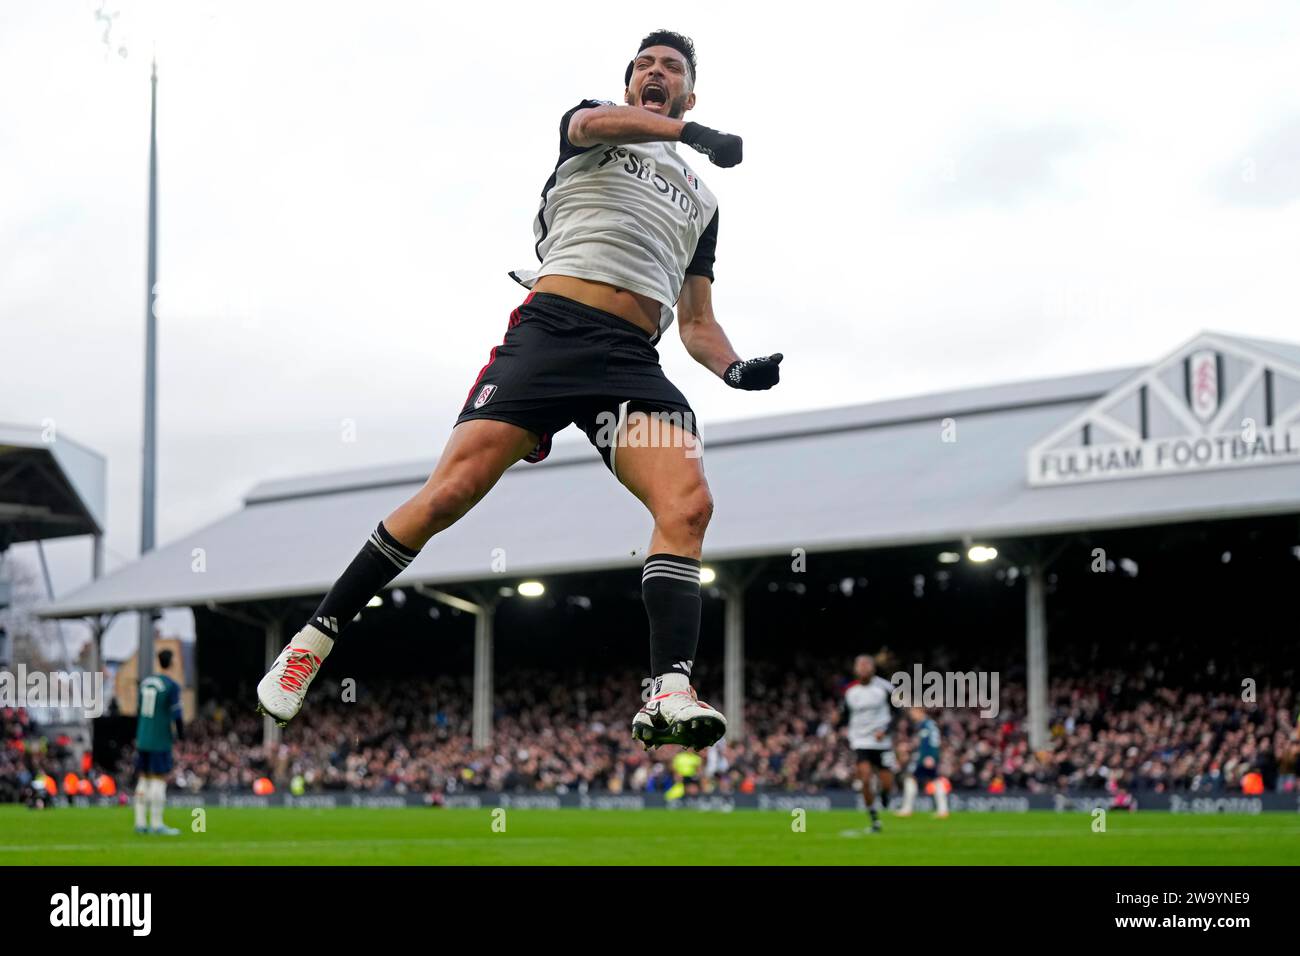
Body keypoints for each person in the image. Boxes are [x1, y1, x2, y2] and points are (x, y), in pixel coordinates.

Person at [257, 29, 781, 753]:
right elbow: (592, 124)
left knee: (688, 503)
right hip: (550, 334)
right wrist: (690, 132)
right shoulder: (596, 123)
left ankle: (669, 688)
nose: (655, 73)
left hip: (631, 361)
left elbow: (696, 321)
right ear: (633, 86)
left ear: (691, 89)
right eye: (645, 66)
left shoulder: (705, 200)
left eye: (672, 69)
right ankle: (315, 637)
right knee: (450, 492)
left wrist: (733, 369)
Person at [843, 654, 896, 833]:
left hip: (882, 742)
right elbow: (845, 715)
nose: (863, 669)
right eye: (860, 666)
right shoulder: (850, 692)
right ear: (855, 669)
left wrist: (886, 730)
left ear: (873, 668)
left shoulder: (885, 688)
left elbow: (898, 713)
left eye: (866, 666)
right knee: (865, 778)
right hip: (860, 741)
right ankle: (874, 820)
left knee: (887, 783)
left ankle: (885, 795)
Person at [134, 649, 183, 835]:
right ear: (171, 662)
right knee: (158, 780)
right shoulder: (171, 686)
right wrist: (181, 736)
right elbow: (177, 715)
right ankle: (157, 824)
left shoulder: (145, 683)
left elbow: (139, 710)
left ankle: (140, 823)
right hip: (160, 739)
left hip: (143, 738)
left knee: (143, 780)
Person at [897, 706, 948, 818]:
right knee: (934, 780)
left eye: (913, 712)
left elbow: (932, 742)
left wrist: (930, 756)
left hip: (926, 758)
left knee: (911, 778)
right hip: (925, 757)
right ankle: (942, 809)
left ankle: (907, 808)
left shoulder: (927, 725)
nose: (912, 715)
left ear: (920, 711)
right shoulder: (926, 725)